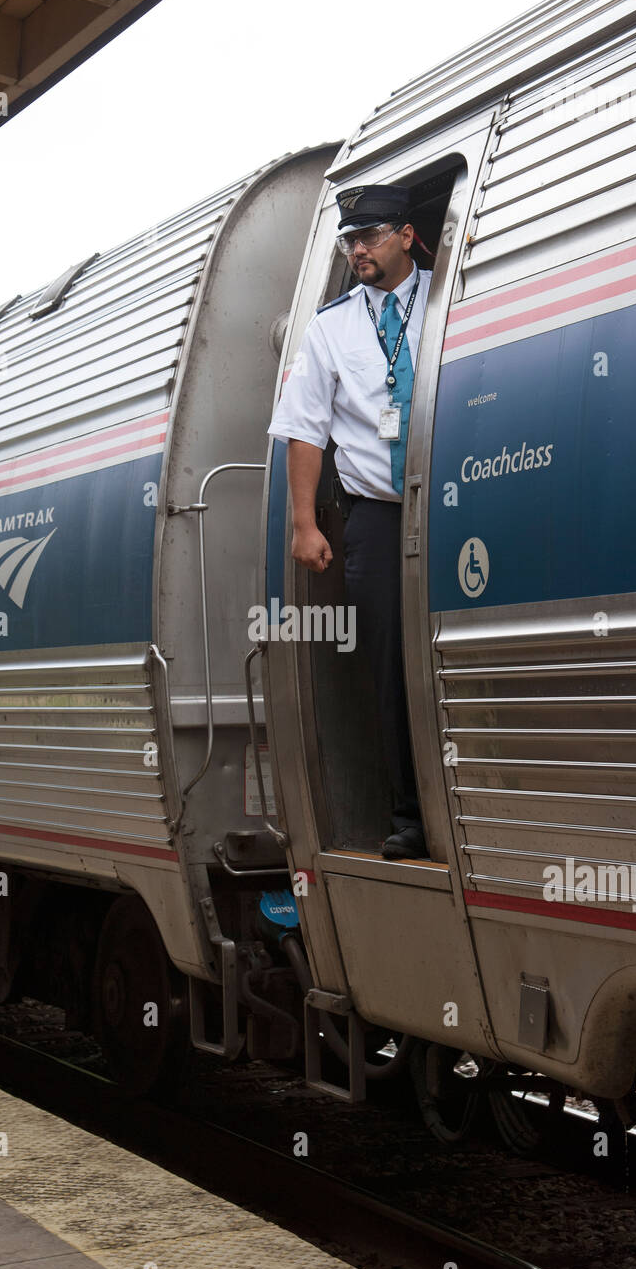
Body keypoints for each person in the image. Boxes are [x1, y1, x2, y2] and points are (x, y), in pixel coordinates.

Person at [267, 184, 431, 860]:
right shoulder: (329, 326)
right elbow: (304, 431)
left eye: (368, 237)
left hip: (453, 499)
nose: (356, 250)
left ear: (407, 236)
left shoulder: (450, 298)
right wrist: (306, 524)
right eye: (348, 241)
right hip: (377, 516)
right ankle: (411, 815)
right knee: (392, 664)